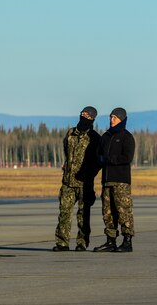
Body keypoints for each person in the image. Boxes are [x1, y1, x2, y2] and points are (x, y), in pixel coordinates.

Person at [53, 106, 101, 251]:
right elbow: (66, 152)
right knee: (64, 212)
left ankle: (82, 242)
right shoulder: (70, 133)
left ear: (92, 118)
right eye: (82, 114)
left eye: (87, 115)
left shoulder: (95, 138)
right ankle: (62, 242)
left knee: (83, 214)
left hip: (84, 182)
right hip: (68, 181)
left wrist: (89, 173)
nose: (83, 117)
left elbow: (98, 161)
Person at [94, 107, 135, 253]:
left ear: (122, 119)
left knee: (123, 211)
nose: (112, 120)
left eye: (115, 118)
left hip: (121, 181)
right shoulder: (105, 137)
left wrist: (110, 159)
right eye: (110, 117)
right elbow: (98, 156)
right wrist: (99, 160)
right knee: (107, 212)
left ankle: (127, 241)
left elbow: (127, 157)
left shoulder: (126, 137)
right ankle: (110, 241)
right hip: (106, 181)